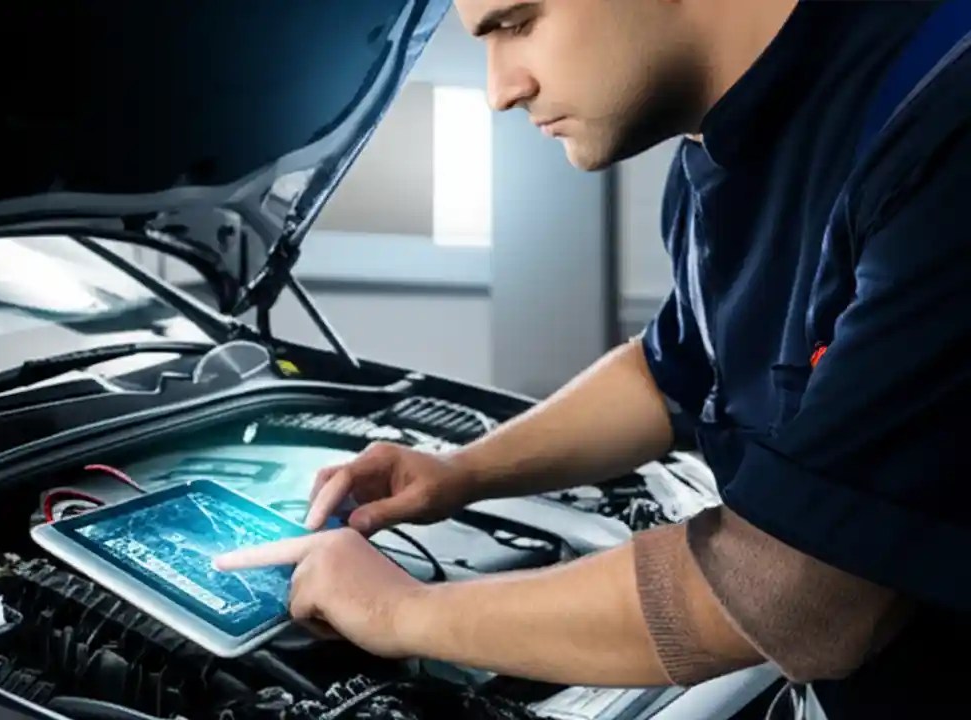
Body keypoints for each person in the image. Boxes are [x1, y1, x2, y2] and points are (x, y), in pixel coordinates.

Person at [215, 0, 971, 715]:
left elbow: (798, 593)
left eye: (519, 22)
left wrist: (399, 612)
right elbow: (668, 375)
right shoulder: (718, 154)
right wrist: (461, 472)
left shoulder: (943, 126)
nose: (500, 91)